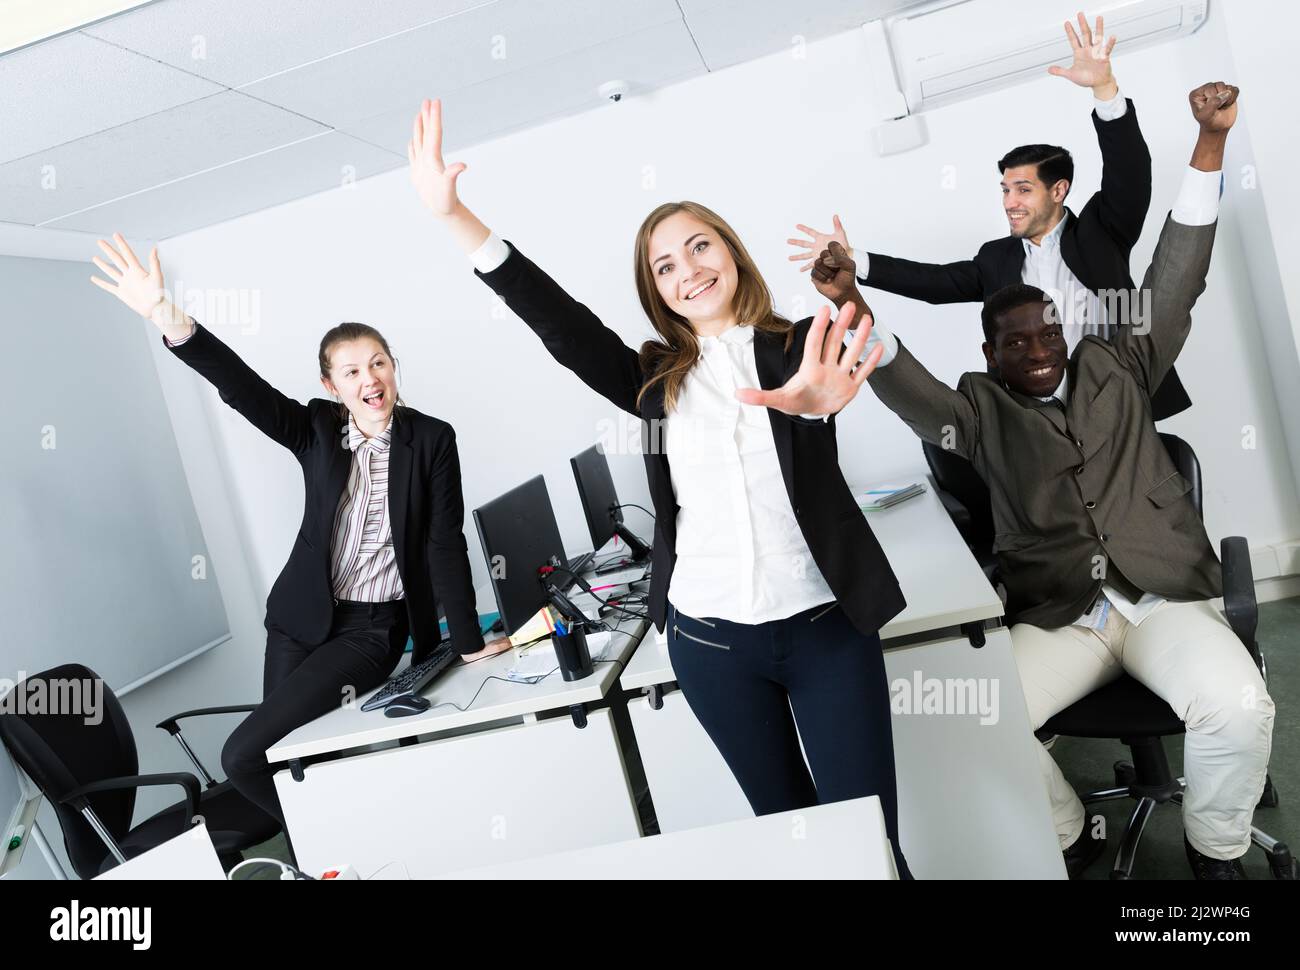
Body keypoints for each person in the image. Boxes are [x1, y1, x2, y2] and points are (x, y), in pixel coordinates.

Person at [407, 98, 914, 876]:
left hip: (826, 629)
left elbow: (847, 353)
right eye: (665, 266)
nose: (688, 271)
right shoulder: (653, 383)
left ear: (734, 253)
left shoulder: (794, 351)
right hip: (713, 644)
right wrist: (456, 218)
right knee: (800, 854)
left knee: (871, 851)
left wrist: (819, 395)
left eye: (699, 246)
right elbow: (560, 324)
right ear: (655, 290)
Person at [811, 82, 1273, 879]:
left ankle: (1214, 850)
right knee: (976, 721)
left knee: (1240, 705)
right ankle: (1069, 832)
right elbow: (903, 378)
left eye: (1046, 331)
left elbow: (1179, 268)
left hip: (1164, 597)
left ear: (1066, 327)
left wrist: (1210, 141)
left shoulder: (1122, 361)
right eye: (1014, 341)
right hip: (1066, 618)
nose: (1036, 350)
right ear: (991, 354)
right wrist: (851, 300)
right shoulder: (980, 413)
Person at [89, 236, 511, 831]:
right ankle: (334, 851)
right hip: (296, 619)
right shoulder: (315, 427)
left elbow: (445, 542)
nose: (370, 379)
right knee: (279, 756)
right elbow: (242, 387)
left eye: (379, 363)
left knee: (242, 754)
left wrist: (467, 641)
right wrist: (167, 315)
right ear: (331, 383)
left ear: (393, 367)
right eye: (352, 370)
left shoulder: (432, 439)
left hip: (371, 629)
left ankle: (343, 840)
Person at [790, 12, 1191, 420]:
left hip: (1118, 404)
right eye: (1005, 190)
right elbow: (934, 282)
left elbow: (1130, 173)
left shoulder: (1101, 230)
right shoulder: (996, 258)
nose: (1009, 202)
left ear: (1059, 190)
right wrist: (855, 258)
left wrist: (1105, 90)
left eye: (1023, 189)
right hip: (1035, 419)